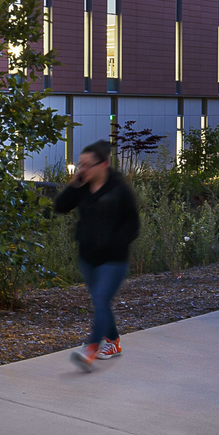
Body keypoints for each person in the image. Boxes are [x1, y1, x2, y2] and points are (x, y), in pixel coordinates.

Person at [53, 139, 140, 372]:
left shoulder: (119, 190)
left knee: (101, 299)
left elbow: (133, 225)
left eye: (87, 165)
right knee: (100, 301)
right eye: (80, 165)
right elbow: (60, 207)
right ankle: (113, 342)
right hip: (88, 256)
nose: (82, 169)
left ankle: (90, 348)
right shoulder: (82, 186)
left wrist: (113, 242)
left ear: (103, 164)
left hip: (114, 258)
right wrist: (72, 185)